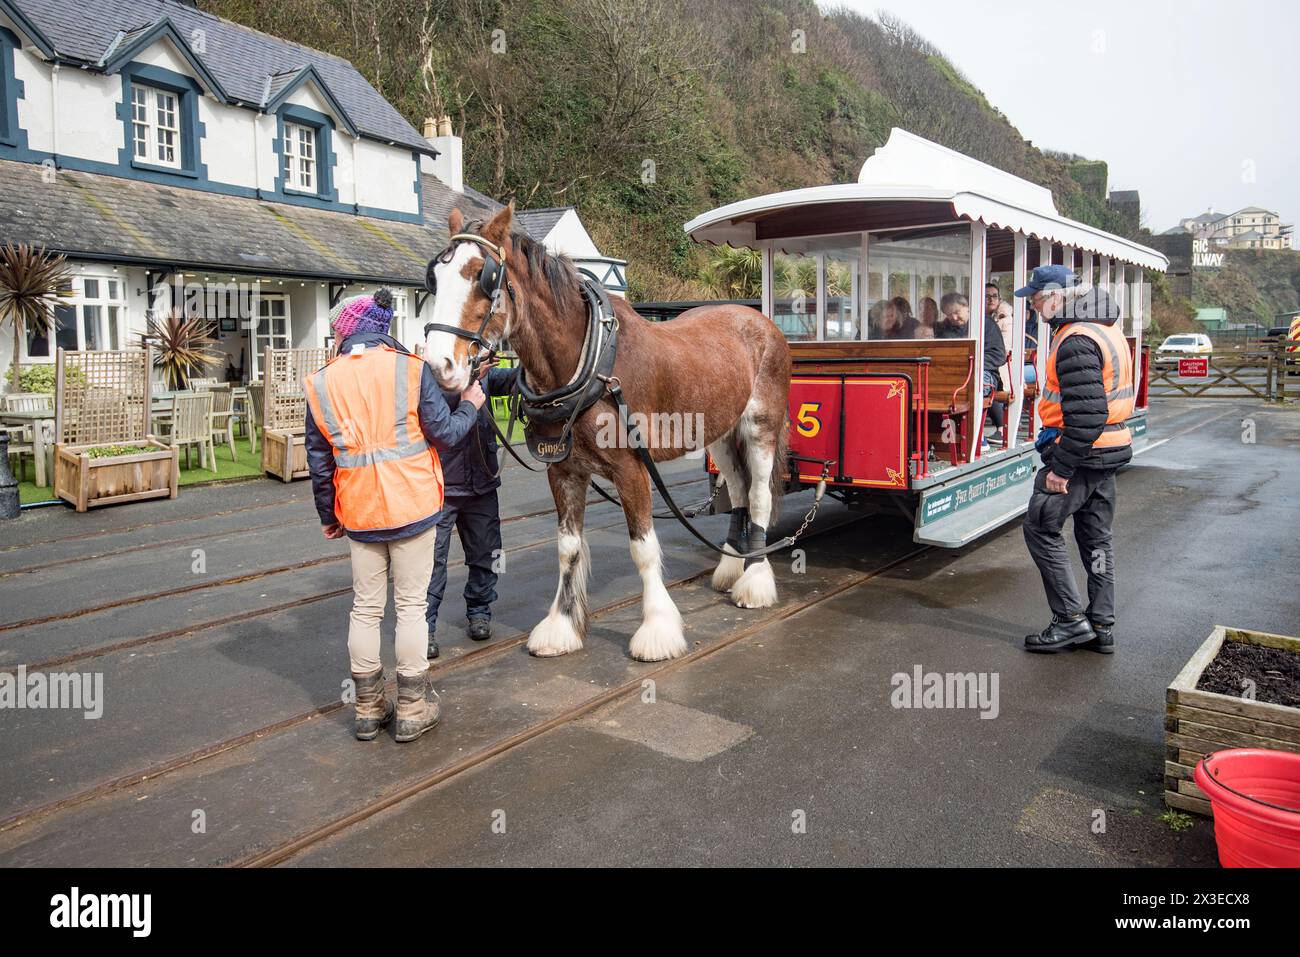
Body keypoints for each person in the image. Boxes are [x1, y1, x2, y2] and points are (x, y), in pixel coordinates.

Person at [305, 290, 486, 742]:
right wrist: (472, 405)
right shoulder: (410, 370)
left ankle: (367, 708)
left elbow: (319, 460)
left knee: (365, 609)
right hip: (413, 507)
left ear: (347, 331)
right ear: (384, 326)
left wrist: (329, 514)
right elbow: (445, 435)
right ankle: (411, 706)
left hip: (359, 513)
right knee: (410, 606)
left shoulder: (321, 381)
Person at [1015, 264, 1134, 655]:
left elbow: (1086, 416)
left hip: (1080, 453)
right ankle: (1101, 622)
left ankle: (1069, 620)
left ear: (1056, 296)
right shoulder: (1104, 327)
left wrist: (1060, 470)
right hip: (1107, 452)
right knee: (1097, 538)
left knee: (1040, 527)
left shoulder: (1076, 339)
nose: (1035, 310)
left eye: (1036, 300)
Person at [425, 356, 519, 659]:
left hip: (481, 483)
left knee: (487, 553)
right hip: (442, 486)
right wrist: (467, 390)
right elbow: (440, 426)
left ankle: (480, 610)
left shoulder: (485, 375)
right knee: (431, 562)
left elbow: (519, 380)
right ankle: (424, 628)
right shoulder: (431, 377)